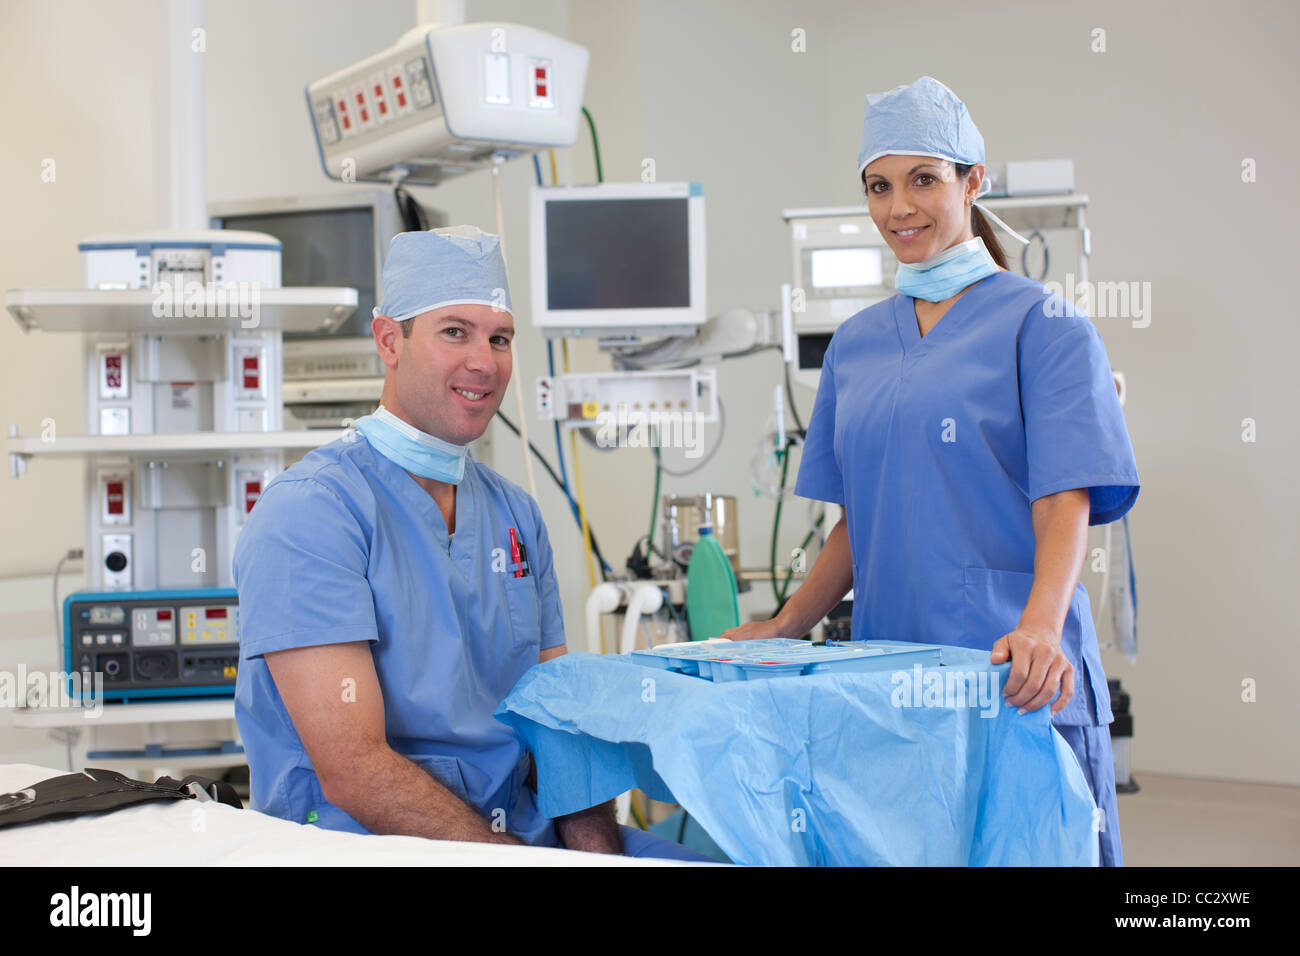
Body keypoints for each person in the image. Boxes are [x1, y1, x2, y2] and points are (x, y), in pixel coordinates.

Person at [723, 77, 1138, 867]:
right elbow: (858, 521)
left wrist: (1043, 628)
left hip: (1013, 678)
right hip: (892, 683)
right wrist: (784, 625)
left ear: (972, 181)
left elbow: (1065, 496)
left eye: (924, 179)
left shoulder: (1042, 326)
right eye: (879, 186)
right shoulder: (856, 346)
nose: (898, 208)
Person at [233, 226, 706, 861]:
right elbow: (353, 767)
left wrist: (597, 860)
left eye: (500, 338)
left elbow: (559, 728)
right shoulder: (313, 512)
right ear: (388, 341)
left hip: (522, 839)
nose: (483, 361)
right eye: (454, 331)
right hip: (373, 845)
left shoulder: (515, 514)